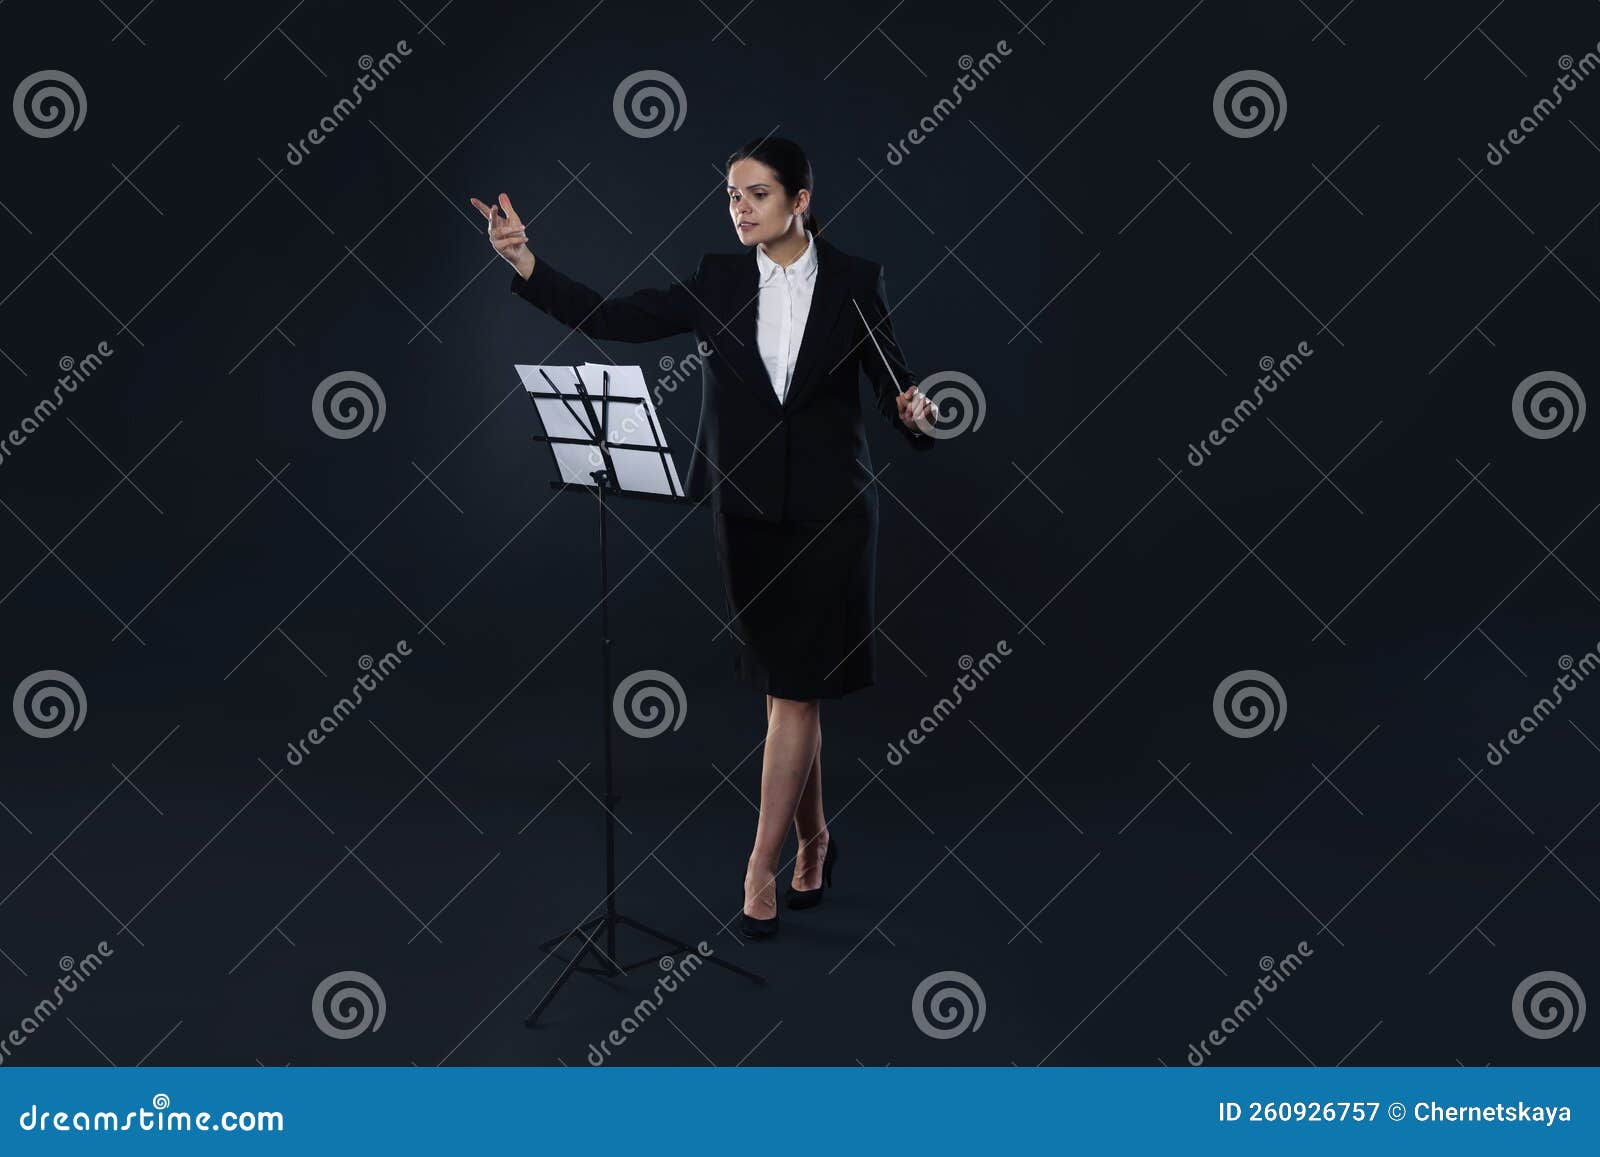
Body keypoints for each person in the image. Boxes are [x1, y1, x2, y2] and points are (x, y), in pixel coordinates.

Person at [471, 136, 939, 941]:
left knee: (795, 692)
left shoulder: (857, 281)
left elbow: (898, 383)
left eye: (757, 193)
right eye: (732, 195)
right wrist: (525, 263)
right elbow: (614, 317)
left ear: (800, 198)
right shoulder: (718, 281)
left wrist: (919, 416)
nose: (741, 208)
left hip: (832, 517)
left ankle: (759, 866)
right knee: (788, 688)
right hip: (747, 514)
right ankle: (816, 839)